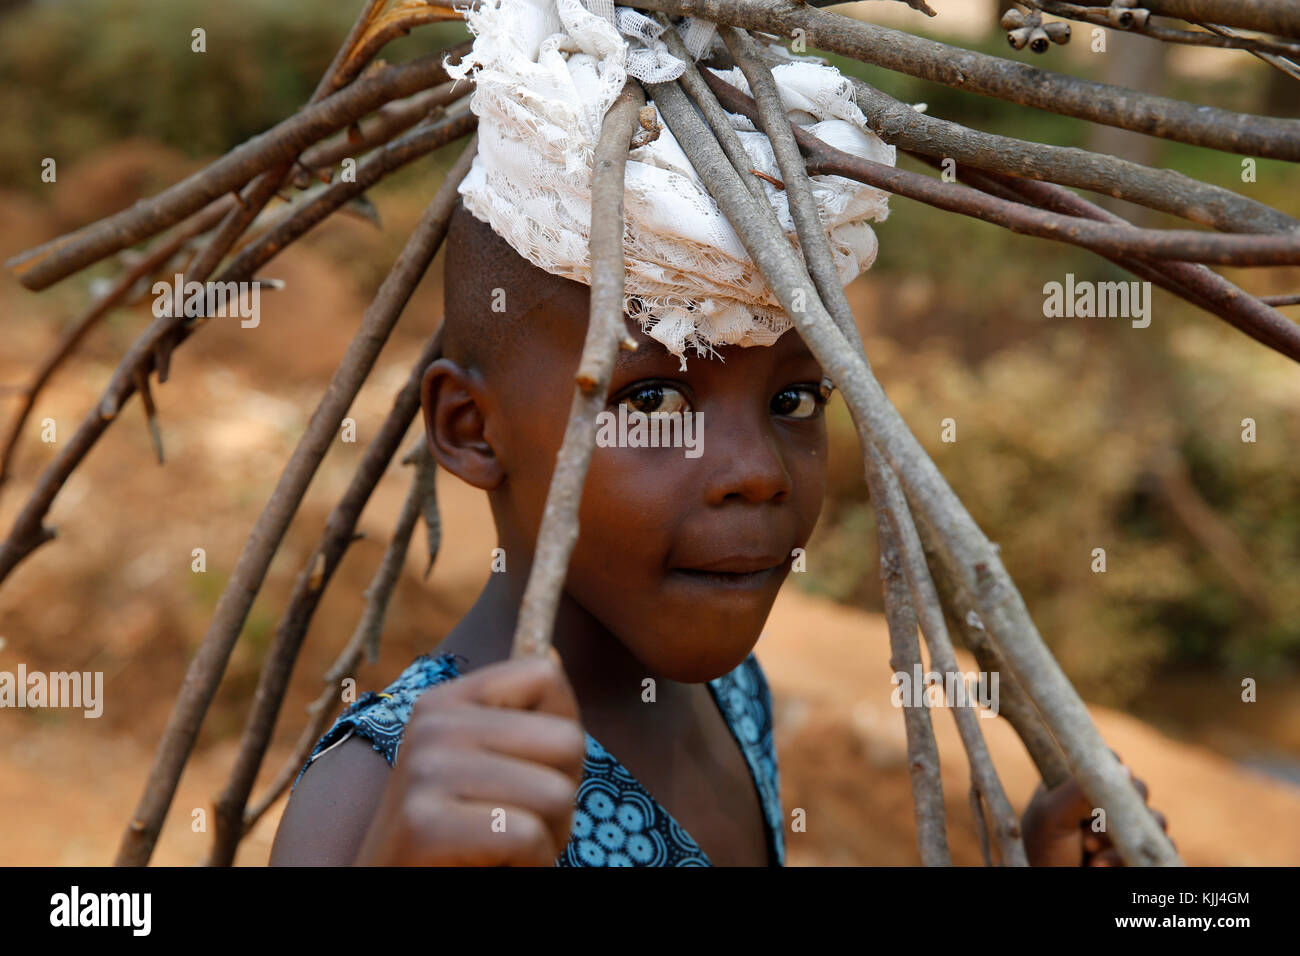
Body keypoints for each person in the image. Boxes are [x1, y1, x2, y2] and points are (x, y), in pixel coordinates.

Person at [269, 0, 1169, 866]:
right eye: (654, 401)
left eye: (794, 402)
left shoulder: (729, 694)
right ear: (469, 430)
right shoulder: (375, 804)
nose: (757, 473)